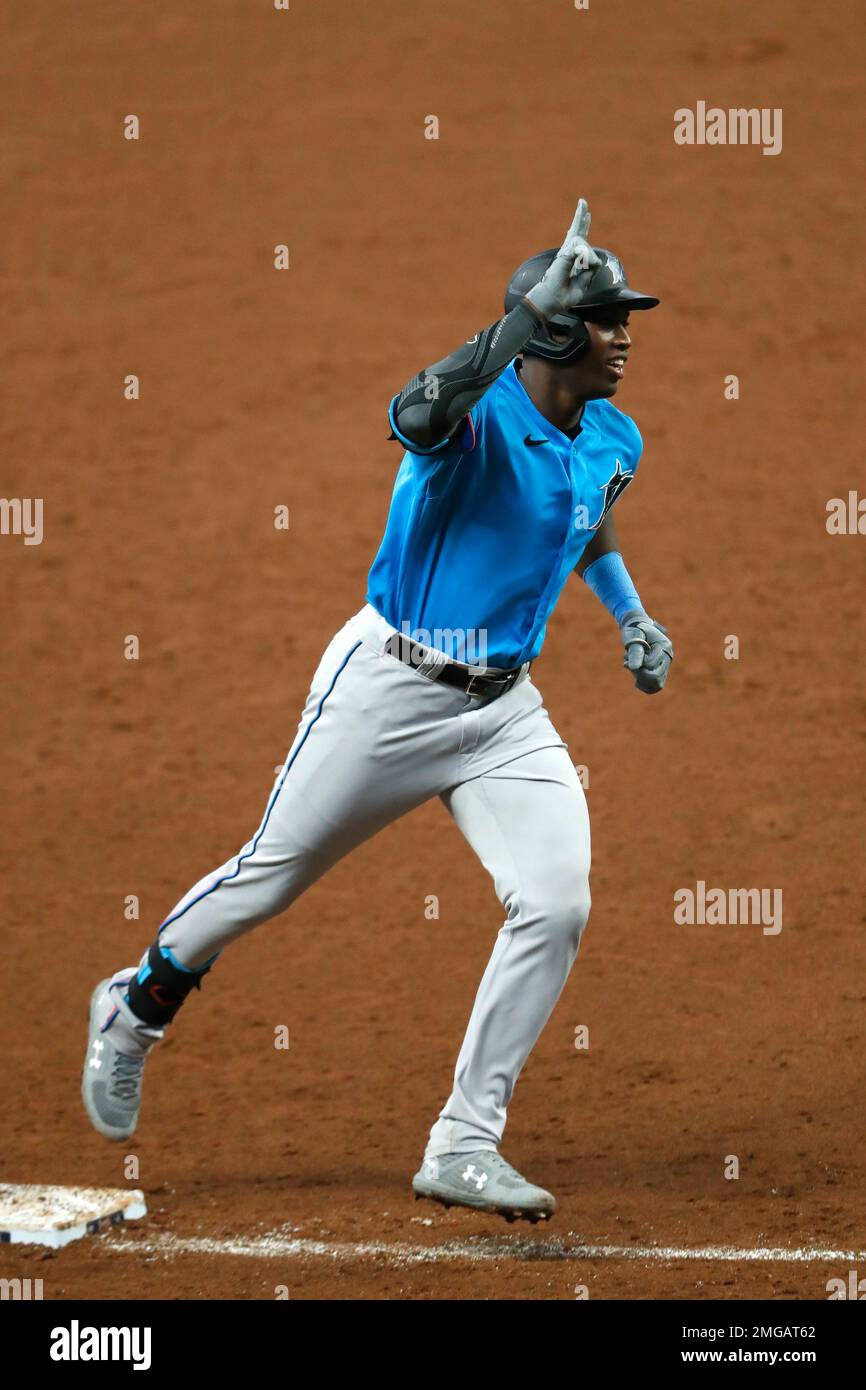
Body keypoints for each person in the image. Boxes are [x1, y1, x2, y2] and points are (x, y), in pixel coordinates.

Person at [82, 198, 673, 1224]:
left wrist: (630, 612)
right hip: (388, 691)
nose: (624, 333)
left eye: (624, 315)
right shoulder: (469, 421)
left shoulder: (610, 429)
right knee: (269, 876)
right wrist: (512, 319)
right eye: (603, 315)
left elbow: (585, 512)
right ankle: (134, 1011)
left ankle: (463, 1140)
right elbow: (412, 414)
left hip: (501, 712)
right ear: (549, 327)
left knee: (555, 899)